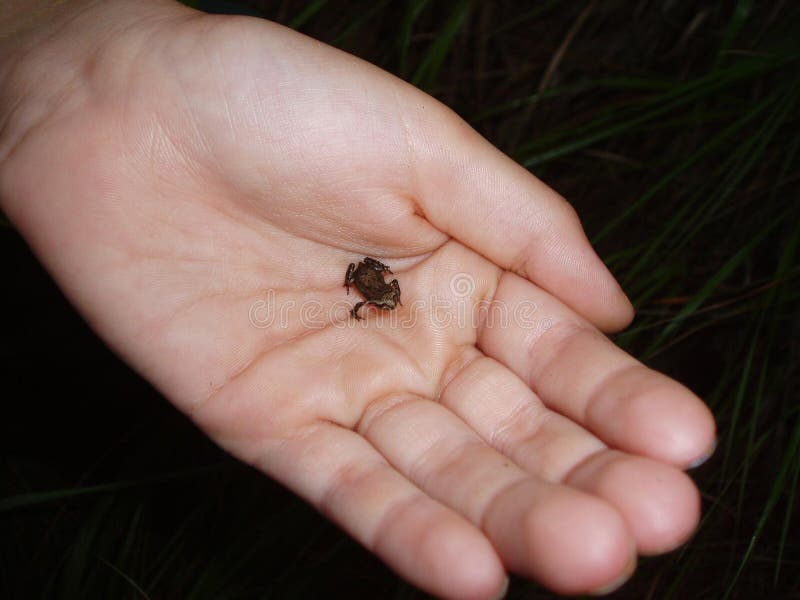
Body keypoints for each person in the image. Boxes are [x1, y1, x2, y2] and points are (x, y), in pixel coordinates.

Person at [0, 1, 716, 598]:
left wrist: (68, 53)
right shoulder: (366, 279)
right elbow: (370, 276)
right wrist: (74, 69)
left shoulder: (378, 284)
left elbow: (379, 281)